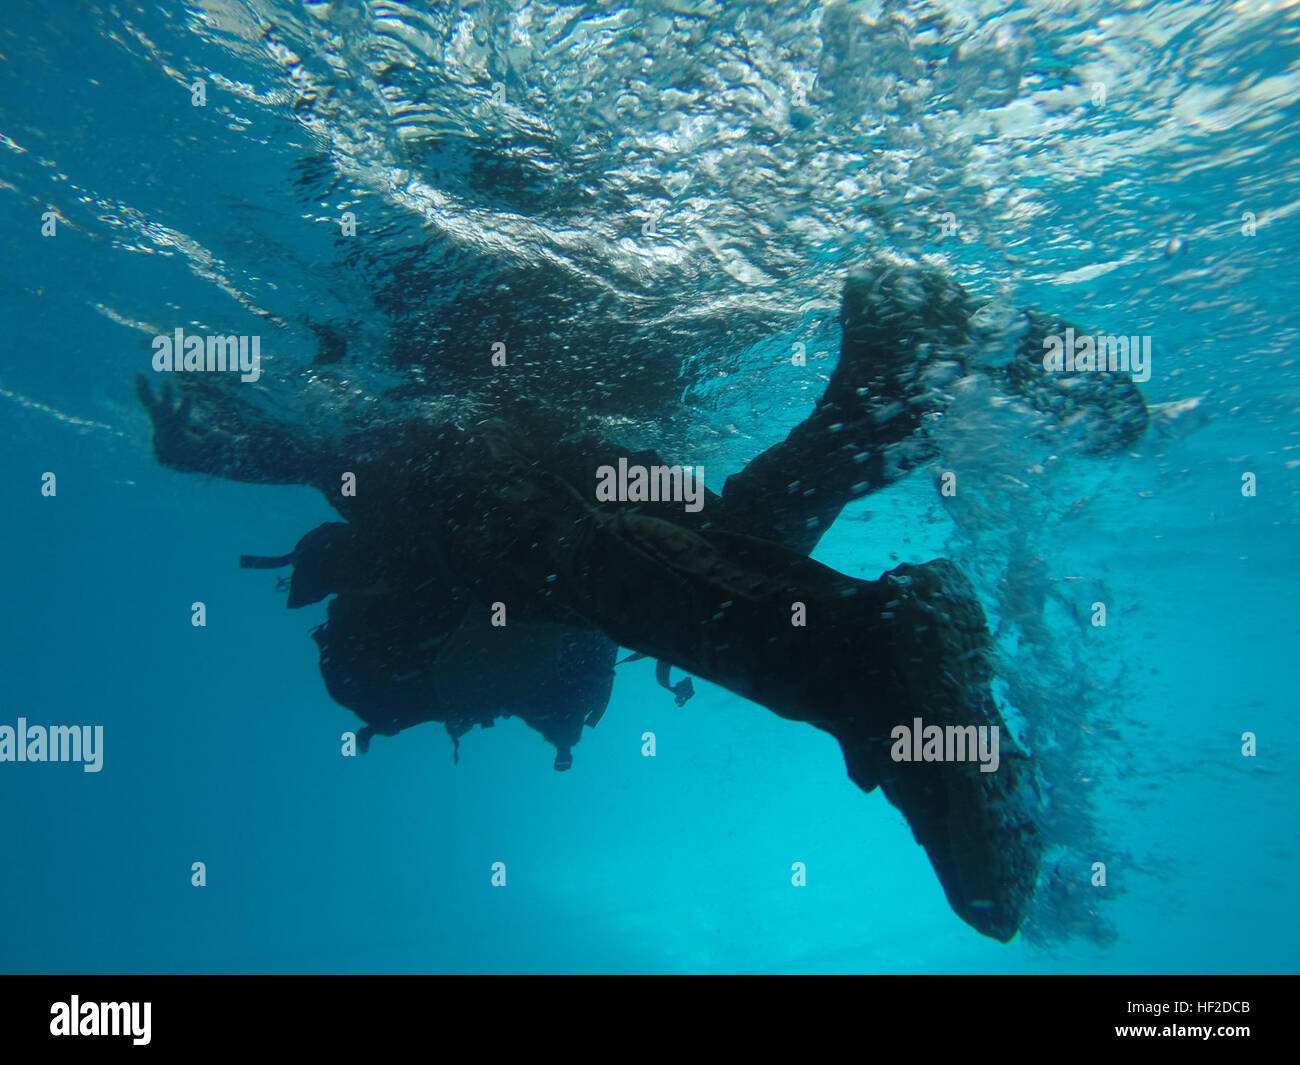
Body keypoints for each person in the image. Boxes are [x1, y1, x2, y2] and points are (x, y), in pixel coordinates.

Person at [136, 261, 1148, 941]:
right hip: (565, 458)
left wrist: (215, 446)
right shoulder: (499, 643)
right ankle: (898, 383)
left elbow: (329, 450)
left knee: (549, 556)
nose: (483, 715)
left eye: (460, 707)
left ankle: (867, 664)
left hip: (476, 465)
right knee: (731, 547)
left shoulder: (414, 547)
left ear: (416, 659)